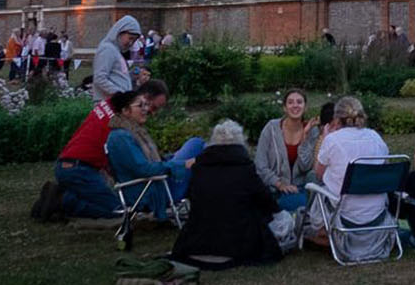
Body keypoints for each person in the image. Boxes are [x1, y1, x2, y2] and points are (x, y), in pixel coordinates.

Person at [170, 119, 284, 267]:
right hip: (237, 237)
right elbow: (266, 200)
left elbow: (193, 196)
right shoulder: (245, 168)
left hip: (200, 235)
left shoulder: (200, 168)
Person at [105, 88, 201, 221]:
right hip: (151, 192)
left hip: (157, 184)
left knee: (198, 149)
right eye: (140, 105)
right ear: (125, 111)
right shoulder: (120, 137)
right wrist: (181, 164)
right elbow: (144, 169)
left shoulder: (132, 132)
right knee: (197, 144)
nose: (146, 109)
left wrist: (171, 158)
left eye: (146, 104)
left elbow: (150, 163)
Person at [309, 95, 389, 254]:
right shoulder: (375, 137)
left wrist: (325, 138)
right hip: (376, 214)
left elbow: (318, 173)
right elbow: (384, 166)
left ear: (337, 118)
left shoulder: (332, 140)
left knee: (316, 184)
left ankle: (321, 232)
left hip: (346, 216)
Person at [38, 89, 126, 221]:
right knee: (118, 210)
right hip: (79, 170)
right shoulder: (115, 125)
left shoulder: (107, 105)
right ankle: (63, 201)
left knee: (108, 201)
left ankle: (66, 196)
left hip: (70, 165)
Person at [254, 88, 319, 212]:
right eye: (290, 102)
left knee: (297, 204)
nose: (295, 105)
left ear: (305, 107)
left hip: (299, 188)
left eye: (299, 102)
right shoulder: (271, 128)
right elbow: (260, 165)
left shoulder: (312, 130)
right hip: (272, 188)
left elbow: (305, 167)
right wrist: (279, 184)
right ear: (284, 107)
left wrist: (304, 138)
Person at [93, 15, 142, 102]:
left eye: (134, 40)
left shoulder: (116, 51)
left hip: (116, 102)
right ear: (120, 32)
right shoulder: (107, 49)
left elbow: (116, 76)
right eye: (130, 38)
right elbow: (99, 78)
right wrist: (119, 94)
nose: (131, 43)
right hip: (108, 103)